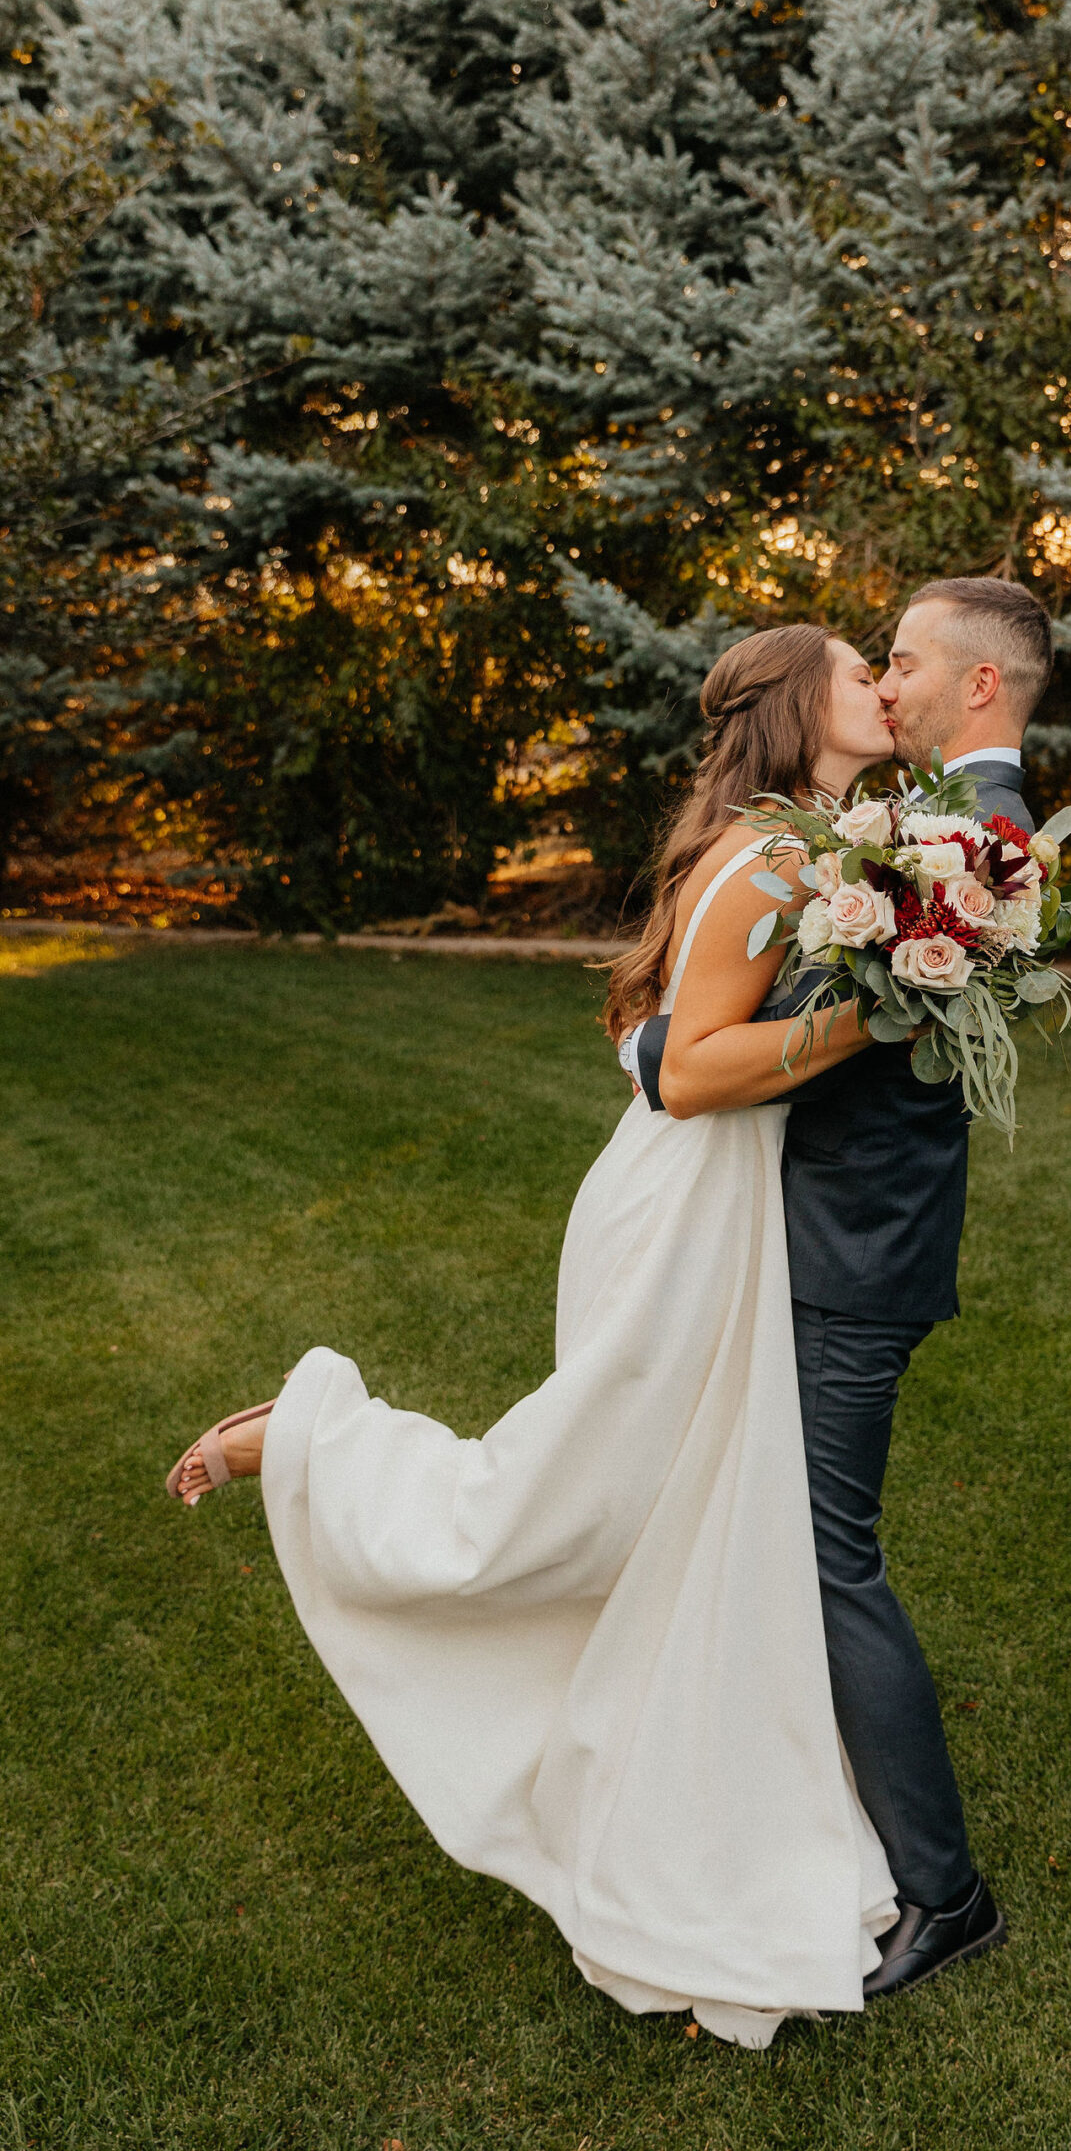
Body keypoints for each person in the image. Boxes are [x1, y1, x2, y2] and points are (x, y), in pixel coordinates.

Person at [162, 626, 914, 2049]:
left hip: (704, 1205)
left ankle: (689, 1795)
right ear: (796, 706)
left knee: (685, 1517)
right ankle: (310, 1443)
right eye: (853, 669)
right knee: (579, 1499)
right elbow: (689, 1071)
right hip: (684, 1210)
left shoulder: (800, 842)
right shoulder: (773, 854)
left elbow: (648, 1029)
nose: (879, 684)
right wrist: (875, 1019)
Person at [629, 574, 1053, 2001]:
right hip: (814, 1227)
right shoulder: (925, 823)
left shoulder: (978, 842)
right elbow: (789, 1008)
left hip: (851, 1247)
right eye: (871, 665)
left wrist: (662, 1057)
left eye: (907, 661)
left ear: (977, 684)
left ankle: (946, 1892)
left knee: (826, 1556)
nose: (888, 680)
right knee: (782, 1536)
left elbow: (829, 1024)